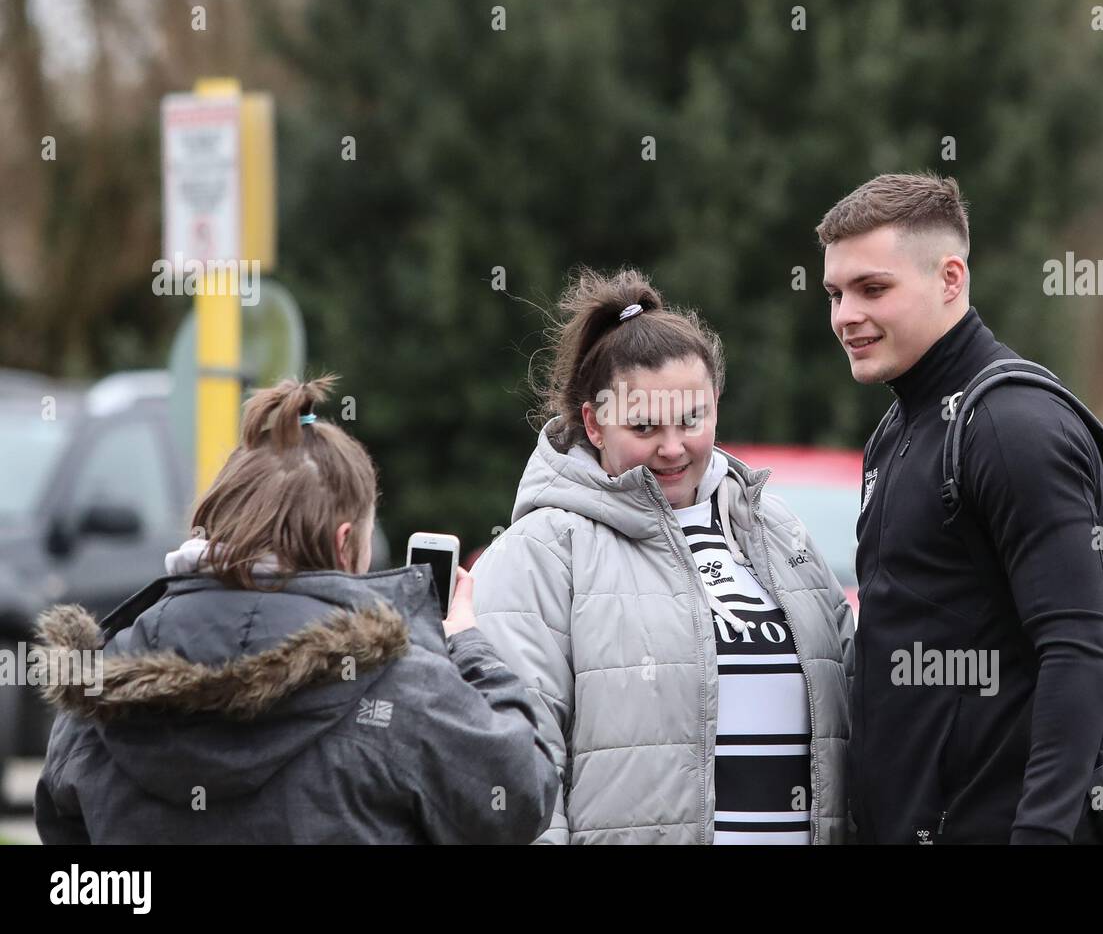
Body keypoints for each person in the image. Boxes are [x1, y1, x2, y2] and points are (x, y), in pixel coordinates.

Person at [34, 375, 557, 844]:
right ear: (344, 542)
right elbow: (517, 797)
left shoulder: (102, 688)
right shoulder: (401, 685)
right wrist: (467, 646)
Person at [471, 268, 854, 844]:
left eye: (691, 419)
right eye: (645, 425)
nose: (673, 447)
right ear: (595, 423)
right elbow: (514, 767)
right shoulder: (541, 552)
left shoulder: (779, 533)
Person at [819, 172, 1103, 844]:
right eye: (835, 293)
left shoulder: (1014, 428)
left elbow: (1078, 652)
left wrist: (1040, 836)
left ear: (951, 279)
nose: (844, 316)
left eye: (872, 289)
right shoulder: (900, 428)